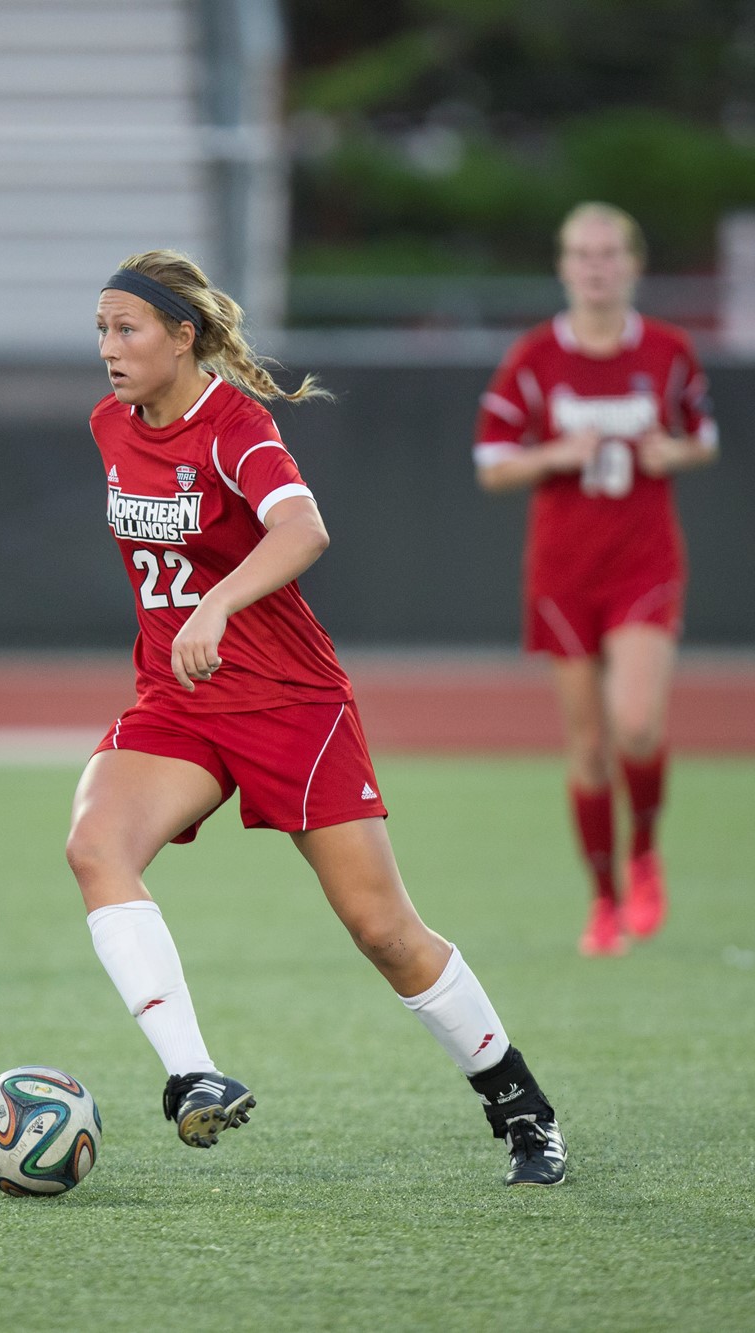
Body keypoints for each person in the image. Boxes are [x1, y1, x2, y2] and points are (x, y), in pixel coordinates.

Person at [69, 250, 567, 1187]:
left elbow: (304, 530)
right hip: (177, 702)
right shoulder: (109, 424)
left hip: (290, 704)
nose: (109, 346)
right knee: (96, 846)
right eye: (101, 328)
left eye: (127, 327)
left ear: (184, 335)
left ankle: (521, 1107)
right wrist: (191, 625)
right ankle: (192, 1076)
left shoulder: (236, 427)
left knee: (382, 929)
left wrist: (215, 605)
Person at [472, 203, 719, 957]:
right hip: (563, 569)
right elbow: (491, 463)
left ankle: (644, 849)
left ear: (634, 264)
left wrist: (667, 454)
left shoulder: (671, 352)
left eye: (610, 252)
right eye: (582, 253)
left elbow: (702, 437)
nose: (596, 266)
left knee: (636, 724)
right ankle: (603, 897)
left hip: (643, 561)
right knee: (587, 745)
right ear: (563, 265)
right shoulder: (535, 356)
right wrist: (555, 453)